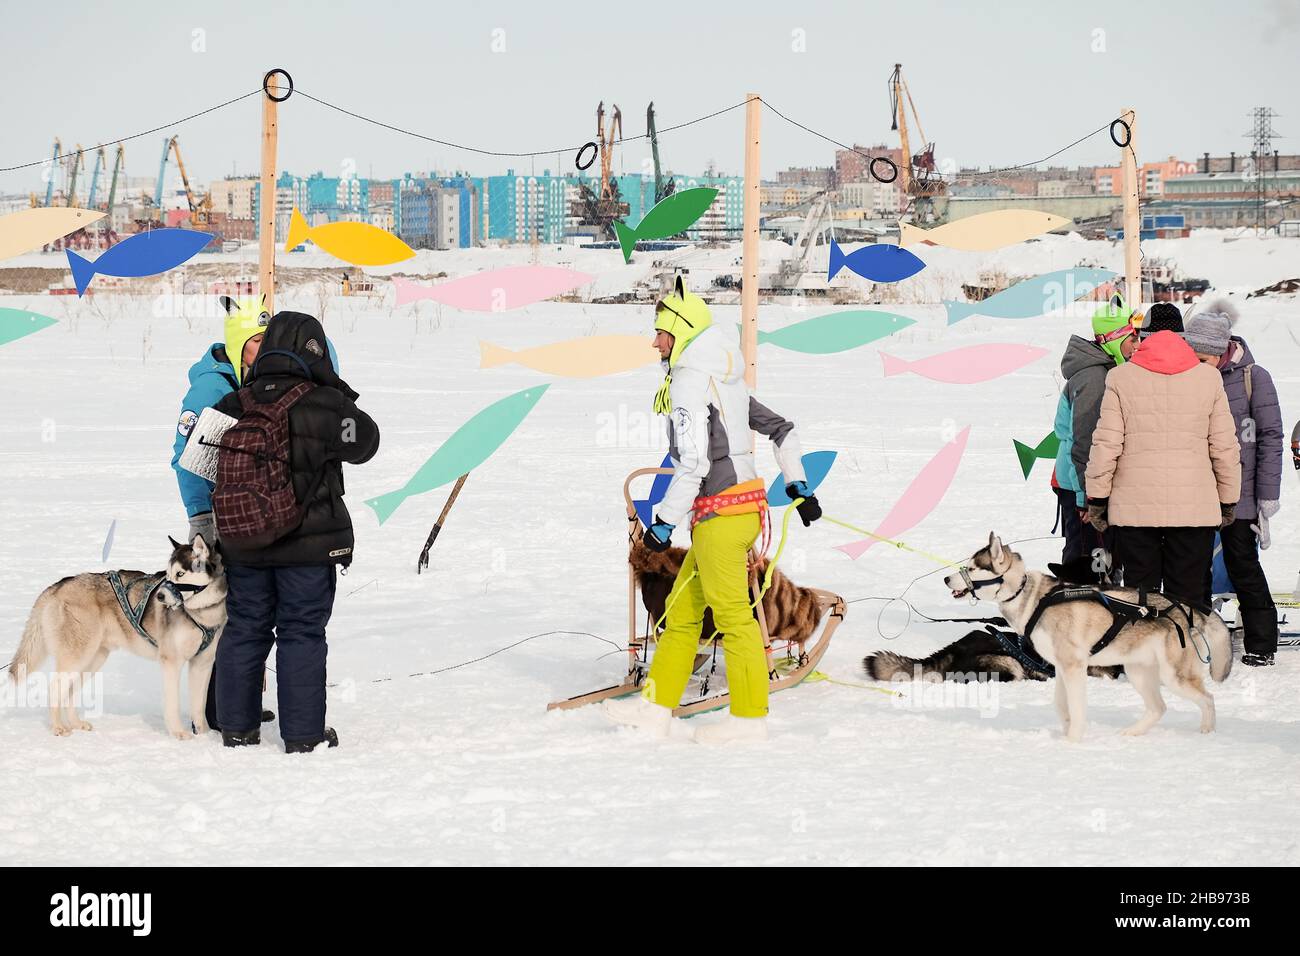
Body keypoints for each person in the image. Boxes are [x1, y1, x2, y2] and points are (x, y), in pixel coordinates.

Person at [603, 278, 818, 743]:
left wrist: (660, 522)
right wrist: (797, 481)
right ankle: (655, 711)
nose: (654, 340)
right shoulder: (727, 380)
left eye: (660, 331)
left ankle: (748, 720)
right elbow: (781, 430)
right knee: (681, 615)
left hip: (721, 516)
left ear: (681, 331)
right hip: (737, 511)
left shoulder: (689, 381)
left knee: (734, 618)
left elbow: (692, 462)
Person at [211, 311, 380, 752]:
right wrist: (336, 392)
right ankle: (303, 737)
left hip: (243, 543)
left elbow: (204, 464)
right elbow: (366, 442)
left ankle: (237, 729)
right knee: (301, 632)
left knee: (245, 628)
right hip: (307, 547)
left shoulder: (233, 403)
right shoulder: (325, 403)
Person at [1084, 328, 1241, 609]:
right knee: (1189, 598)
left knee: (1140, 597)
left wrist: (1097, 497)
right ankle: (1191, 650)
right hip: (1194, 509)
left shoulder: (1121, 378)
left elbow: (1106, 444)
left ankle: (1143, 651)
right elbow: (1224, 447)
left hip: (1134, 511)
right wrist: (1228, 499)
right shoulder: (1208, 379)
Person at [171, 295, 270, 731]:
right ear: (236, 346)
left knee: (241, 611)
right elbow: (184, 455)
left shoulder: (255, 377)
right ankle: (211, 709)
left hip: (242, 514)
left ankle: (234, 701)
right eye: (254, 343)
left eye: (268, 341)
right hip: (211, 517)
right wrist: (200, 518)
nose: (262, 351)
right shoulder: (211, 389)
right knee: (212, 613)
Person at [1184, 299, 1282, 665]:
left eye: (1203, 360)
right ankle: (1199, 641)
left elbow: (1271, 436)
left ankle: (1261, 643)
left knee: (1243, 565)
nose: (1197, 366)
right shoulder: (1190, 378)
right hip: (1197, 493)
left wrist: (1267, 496)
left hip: (1240, 495)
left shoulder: (1254, 378)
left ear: (1222, 352)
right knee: (1195, 569)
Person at [1053, 301, 1138, 573]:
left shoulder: (1106, 370)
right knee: (1087, 560)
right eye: (1132, 337)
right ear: (1114, 339)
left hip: (1088, 483)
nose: (1137, 344)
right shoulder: (1095, 379)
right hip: (1081, 485)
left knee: (1096, 556)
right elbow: (1085, 442)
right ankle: (1072, 611)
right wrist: (1086, 498)